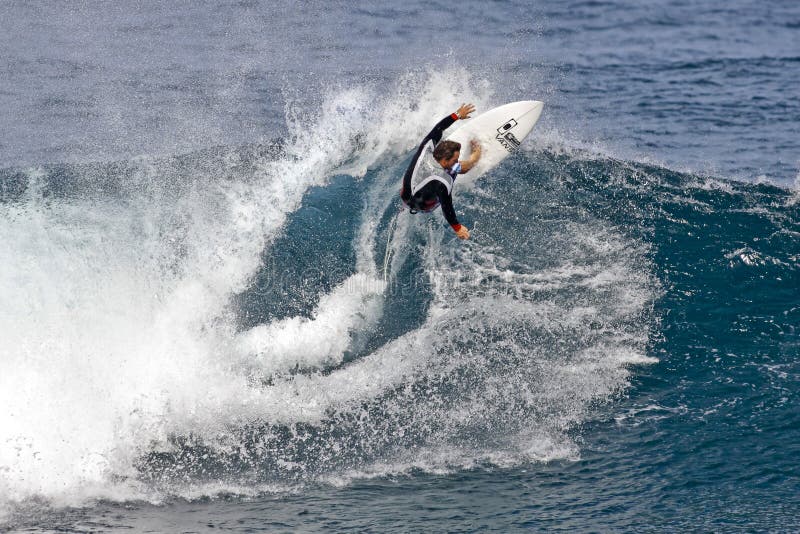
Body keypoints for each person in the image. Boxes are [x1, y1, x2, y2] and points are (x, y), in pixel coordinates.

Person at [400, 103, 482, 240]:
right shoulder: (442, 181)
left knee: (448, 168)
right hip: (425, 207)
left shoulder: (426, 149)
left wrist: (457, 115)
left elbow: (438, 128)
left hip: (404, 196)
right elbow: (447, 207)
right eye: (455, 159)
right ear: (444, 160)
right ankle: (476, 155)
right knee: (462, 168)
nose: (457, 160)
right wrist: (458, 228)